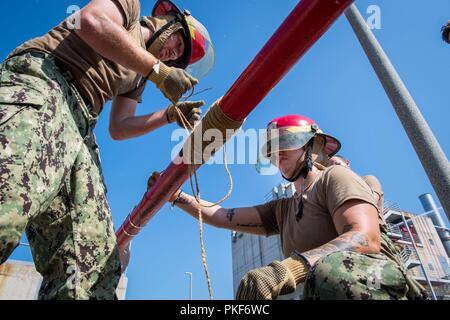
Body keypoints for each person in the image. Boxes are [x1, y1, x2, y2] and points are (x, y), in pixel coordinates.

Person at [0, 0, 214, 299]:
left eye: (177, 60)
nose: (173, 56)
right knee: (6, 201)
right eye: (178, 44)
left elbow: (119, 127)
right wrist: (158, 71)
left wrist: (168, 116)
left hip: (80, 122)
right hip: (43, 80)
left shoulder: (138, 76)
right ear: (169, 22)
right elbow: (90, 21)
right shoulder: (130, 10)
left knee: (91, 264)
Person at [149, 115, 427, 300]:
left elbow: (365, 237)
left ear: (312, 145)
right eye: (271, 148)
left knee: (330, 271)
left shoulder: (335, 178)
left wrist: (290, 268)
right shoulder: (283, 210)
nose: (276, 153)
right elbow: (223, 216)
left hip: (369, 285)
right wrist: (175, 196)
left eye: (285, 143)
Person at [329, 154, 387, 233]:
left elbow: (372, 201)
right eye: (331, 168)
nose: (336, 169)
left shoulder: (367, 179)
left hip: (372, 231)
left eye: (337, 164)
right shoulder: (334, 190)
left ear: (347, 163)